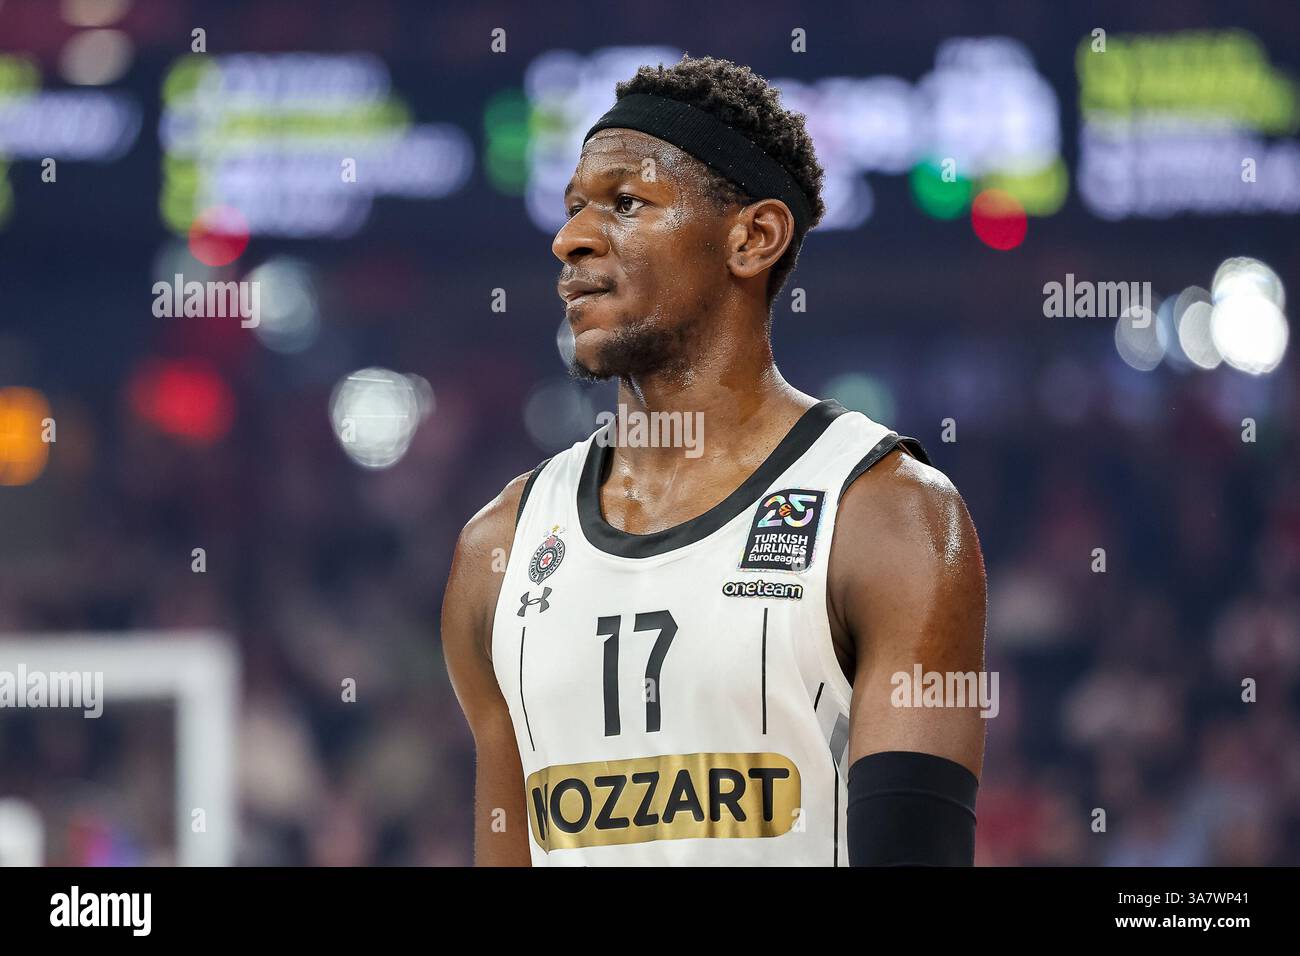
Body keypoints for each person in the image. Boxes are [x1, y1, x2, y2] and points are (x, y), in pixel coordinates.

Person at [443, 54, 986, 866]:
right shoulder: (500, 549)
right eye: (573, 209)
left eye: (626, 203)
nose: (571, 239)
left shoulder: (888, 517)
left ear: (753, 238)